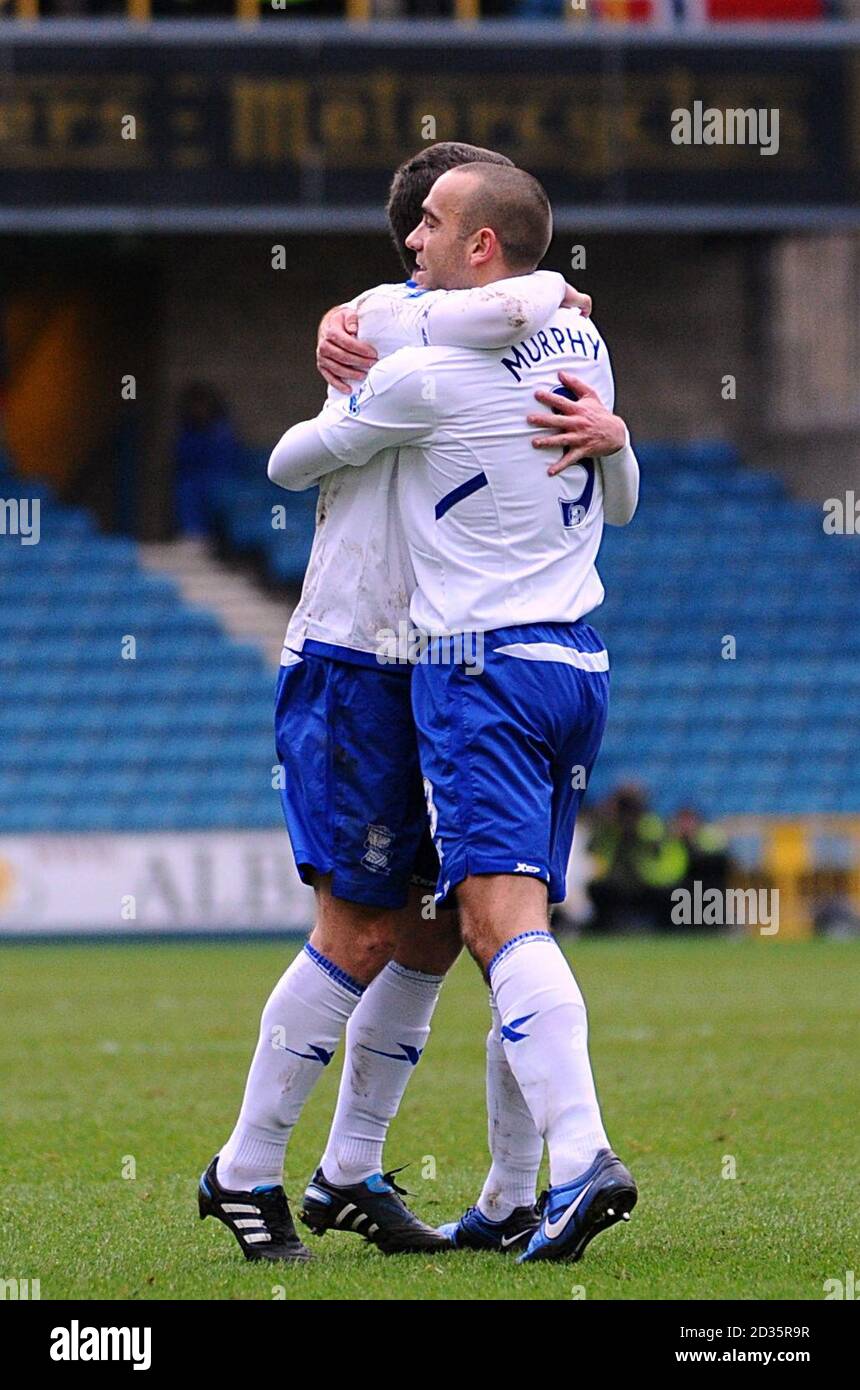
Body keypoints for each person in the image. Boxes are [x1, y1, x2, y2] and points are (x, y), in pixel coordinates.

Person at [267, 162, 640, 1264]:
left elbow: (288, 462)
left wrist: (344, 402)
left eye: (430, 224)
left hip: (475, 667)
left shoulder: (421, 366)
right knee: (491, 932)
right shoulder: (585, 345)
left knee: (494, 928)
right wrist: (614, 440)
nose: (410, 240)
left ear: (483, 247)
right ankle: (510, 1191)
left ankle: (580, 1163)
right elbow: (617, 493)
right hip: (577, 659)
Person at [588, 785, 688, 933]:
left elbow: (655, 852)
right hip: (621, 882)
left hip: (655, 879)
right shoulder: (610, 829)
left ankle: (661, 926)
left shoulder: (649, 825)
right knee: (599, 890)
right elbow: (597, 853)